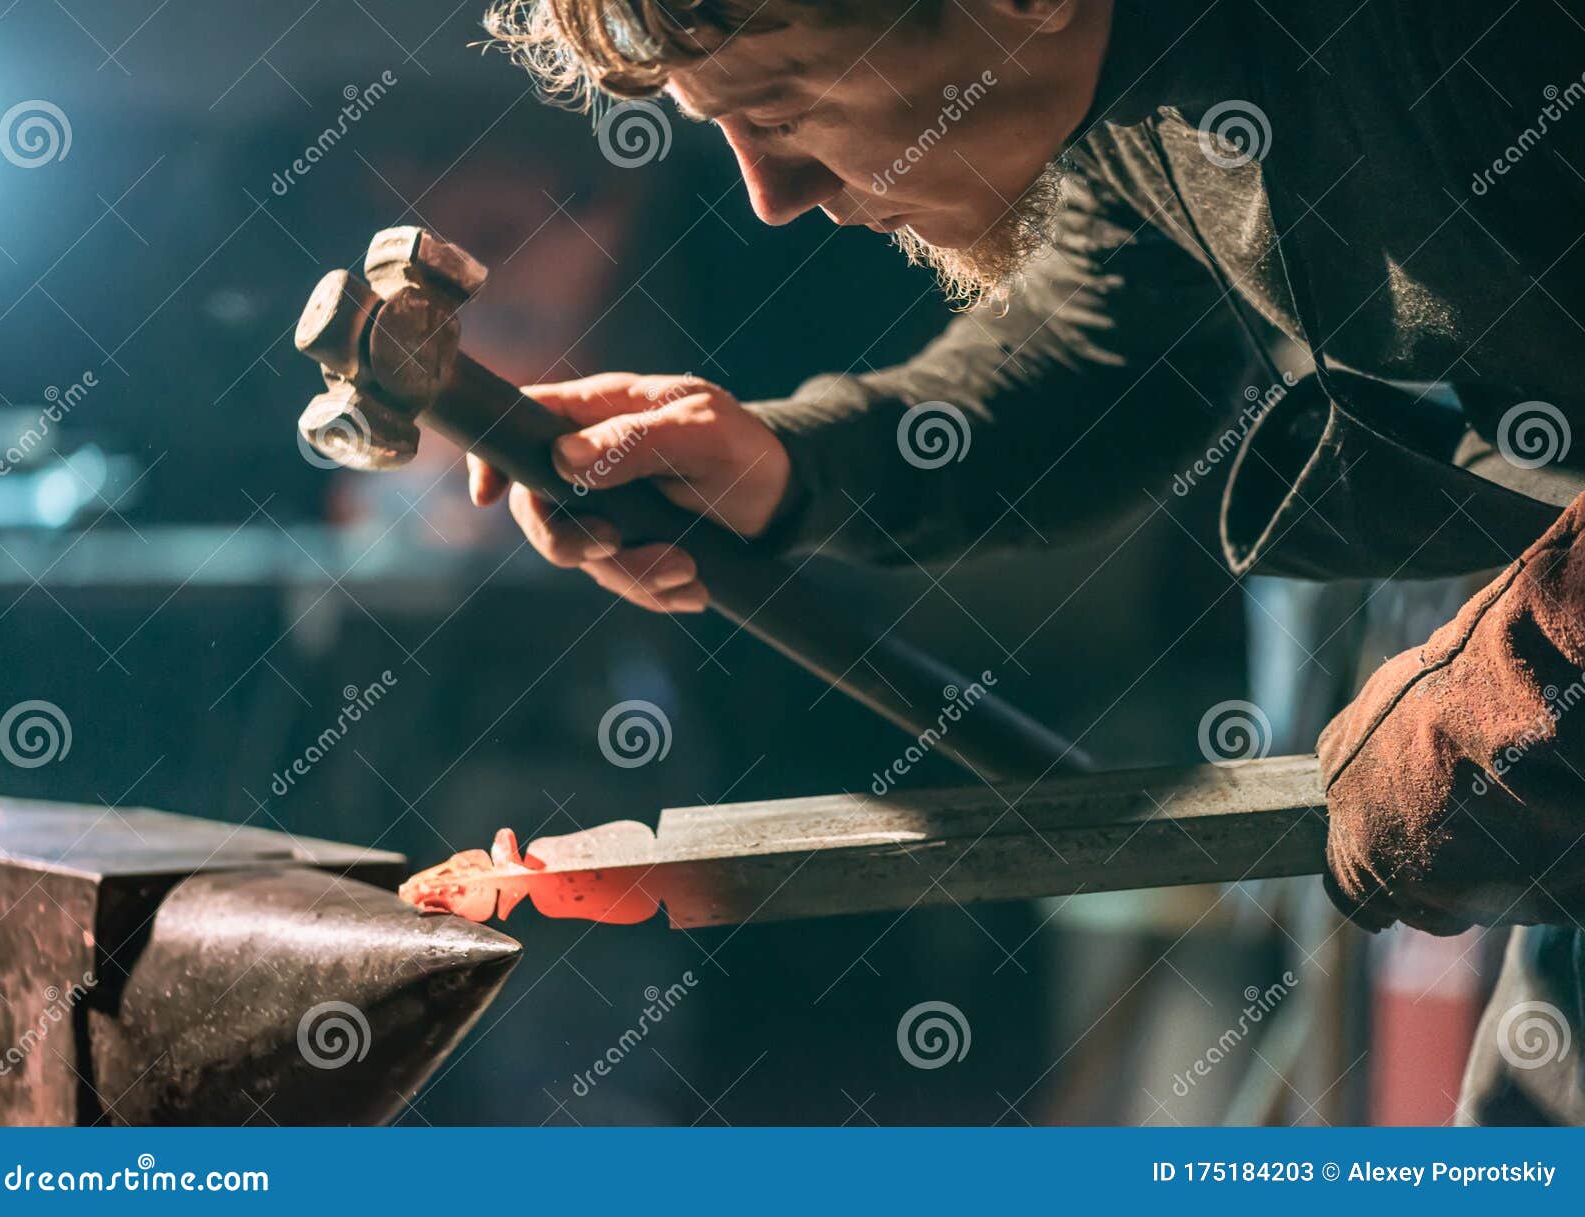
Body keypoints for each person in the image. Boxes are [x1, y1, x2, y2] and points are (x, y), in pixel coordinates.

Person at [464, 0, 1585, 1121]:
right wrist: (796, 467)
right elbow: (1106, 340)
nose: (771, 193)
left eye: (784, 104)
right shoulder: (1129, 66)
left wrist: (1513, 689)